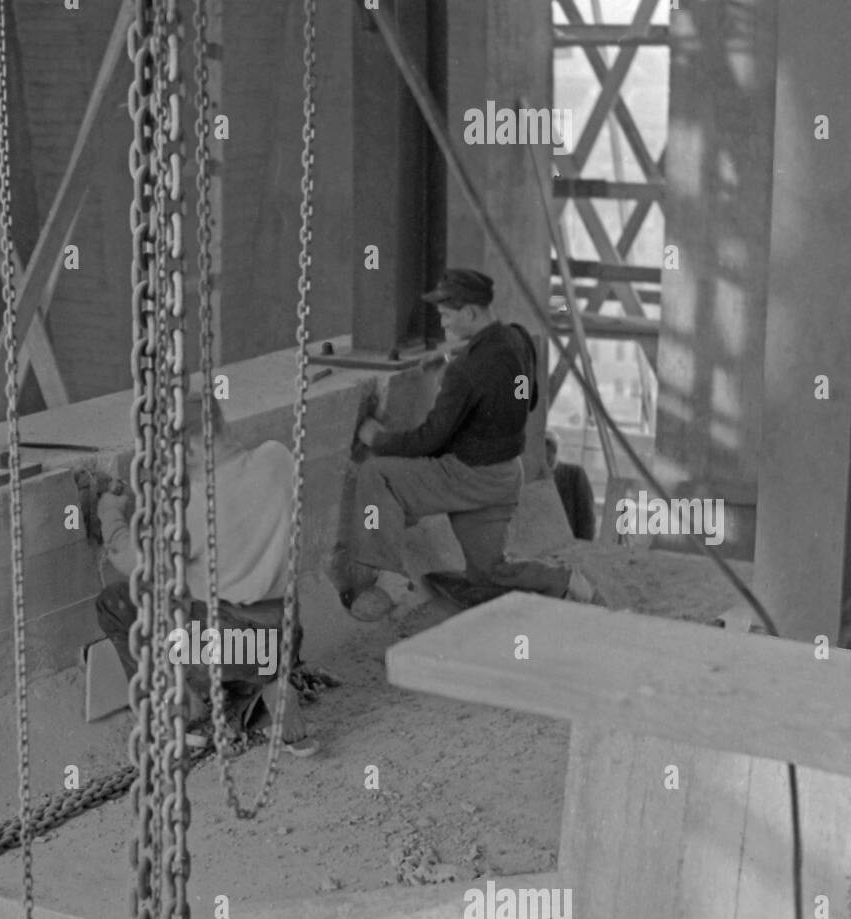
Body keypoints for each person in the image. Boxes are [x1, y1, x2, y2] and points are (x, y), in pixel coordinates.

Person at [348, 267, 600, 619]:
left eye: (447, 316)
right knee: (490, 573)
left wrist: (379, 438)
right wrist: (452, 370)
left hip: (468, 476)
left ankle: (388, 580)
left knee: (378, 475)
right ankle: (568, 581)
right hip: (505, 476)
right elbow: (524, 398)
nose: (443, 324)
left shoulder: (466, 371)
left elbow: (429, 440)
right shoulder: (518, 340)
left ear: (469, 313)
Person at [94, 392, 317, 755]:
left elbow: (127, 557)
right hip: (284, 639)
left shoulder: (192, 505)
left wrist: (110, 513)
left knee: (116, 603)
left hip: (230, 649)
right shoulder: (278, 459)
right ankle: (272, 685)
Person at [546, 432, 596, 541]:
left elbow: (586, 516)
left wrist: (583, 548)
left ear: (553, 451)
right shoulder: (529, 477)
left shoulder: (574, 474)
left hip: (567, 543)